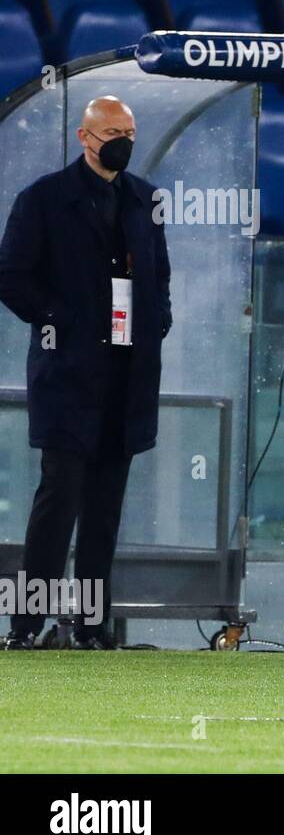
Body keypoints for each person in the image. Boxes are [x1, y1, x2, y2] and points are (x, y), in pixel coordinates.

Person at [0, 96, 172, 650]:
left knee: (105, 510)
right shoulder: (44, 199)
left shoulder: (145, 199)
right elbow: (11, 276)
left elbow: (159, 275)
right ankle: (26, 625)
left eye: (129, 130)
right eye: (111, 131)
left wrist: (155, 322)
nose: (122, 139)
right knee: (58, 502)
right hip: (69, 377)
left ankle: (93, 628)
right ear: (84, 136)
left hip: (127, 376)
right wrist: (59, 317)